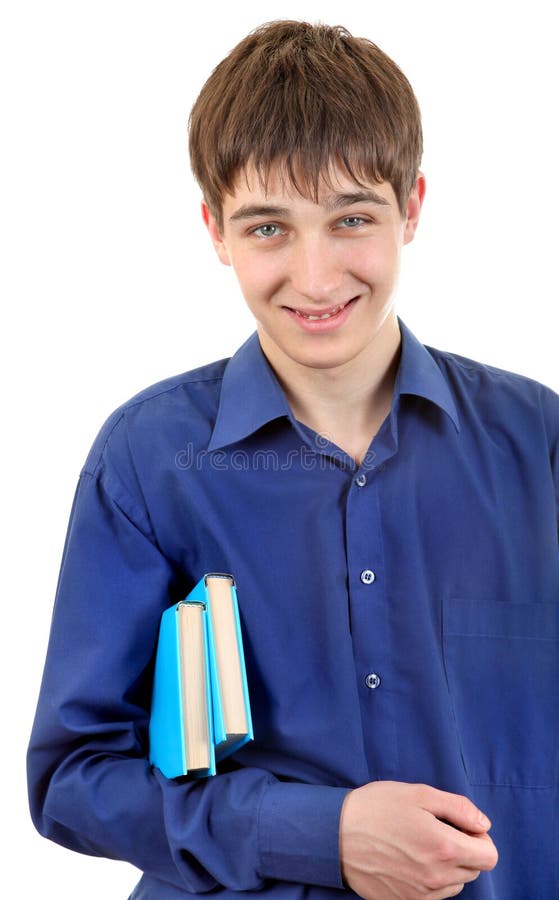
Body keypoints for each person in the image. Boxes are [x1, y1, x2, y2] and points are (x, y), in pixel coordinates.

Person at [27, 19, 558, 900]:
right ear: (214, 229)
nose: (315, 279)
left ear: (412, 208)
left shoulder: (536, 443)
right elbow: (72, 780)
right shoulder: (149, 461)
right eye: (268, 227)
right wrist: (321, 833)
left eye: (351, 218)